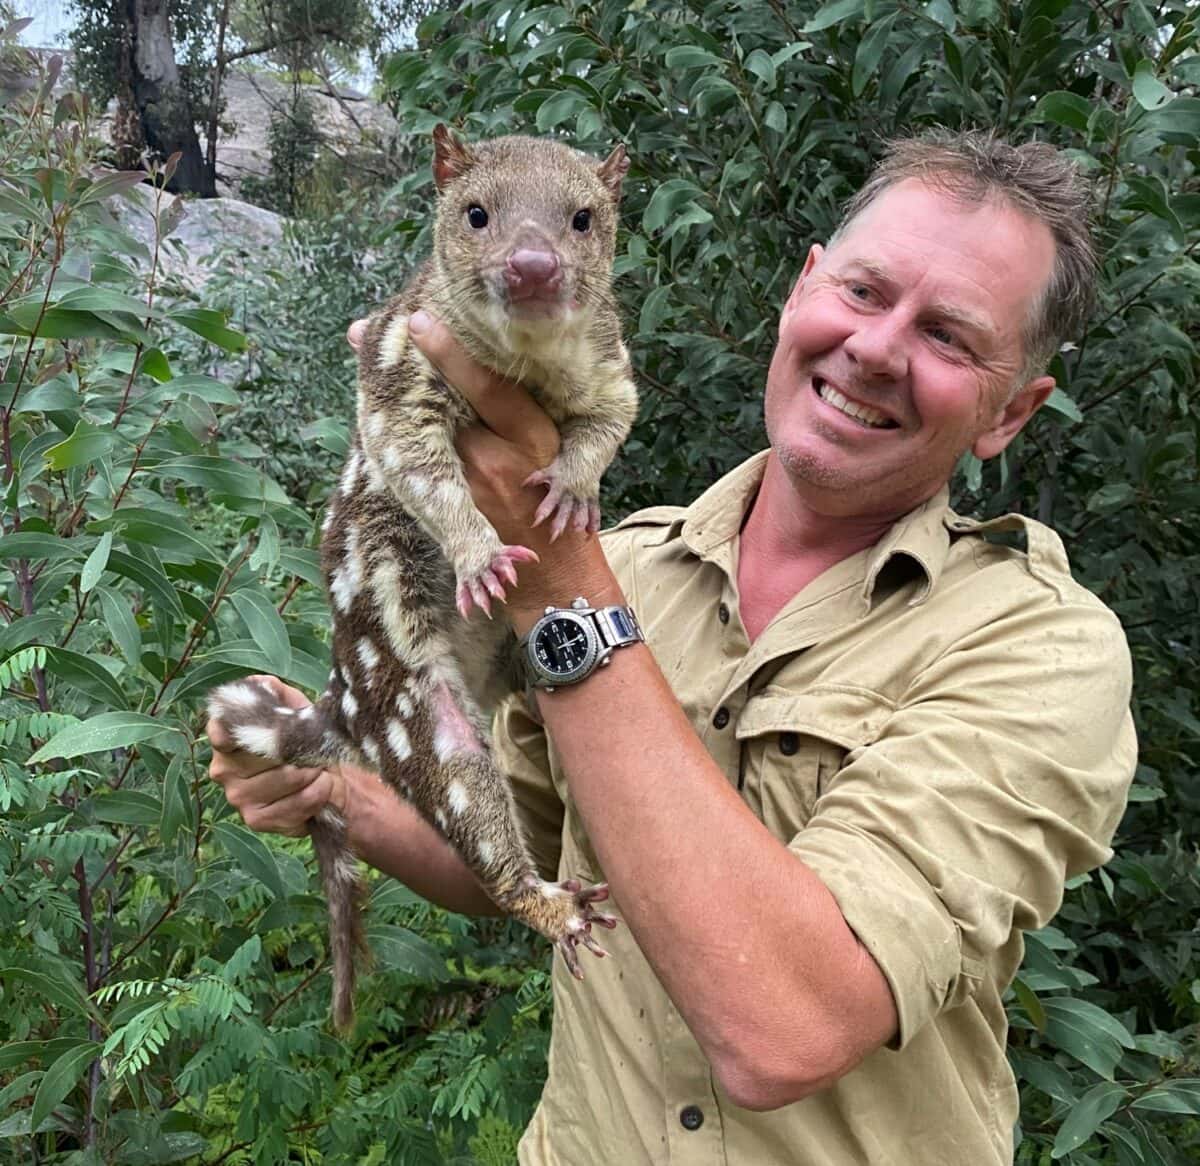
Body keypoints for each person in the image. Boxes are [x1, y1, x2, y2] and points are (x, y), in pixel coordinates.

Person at [208, 130, 1137, 1165]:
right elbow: (514, 852)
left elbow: (784, 1026)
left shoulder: (1042, 650)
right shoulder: (630, 564)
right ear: (803, 291)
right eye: (864, 292)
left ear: (1011, 413)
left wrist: (561, 585)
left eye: (950, 337)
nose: (876, 349)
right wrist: (333, 787)